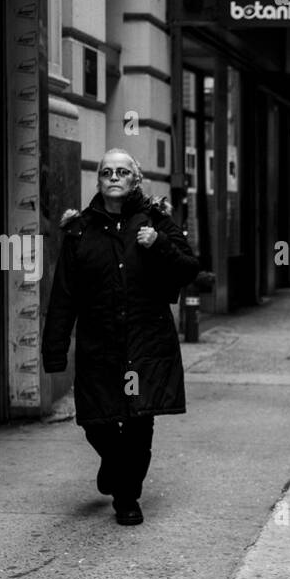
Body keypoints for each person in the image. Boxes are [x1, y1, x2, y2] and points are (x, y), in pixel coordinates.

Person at [41, 149, 199, 525]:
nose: (114, 177)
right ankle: (113, 467)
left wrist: (158, 243)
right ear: (98, 180)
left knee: (139, 419)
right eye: (107, 171)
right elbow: (64, 295)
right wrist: (55, 350)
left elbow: (189, 270)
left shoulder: (156, 221)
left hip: (146, 343)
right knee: (95, 420)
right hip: (100, 346)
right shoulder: (79, 231)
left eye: (122, 172)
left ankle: (127, 497)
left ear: (135, 180)